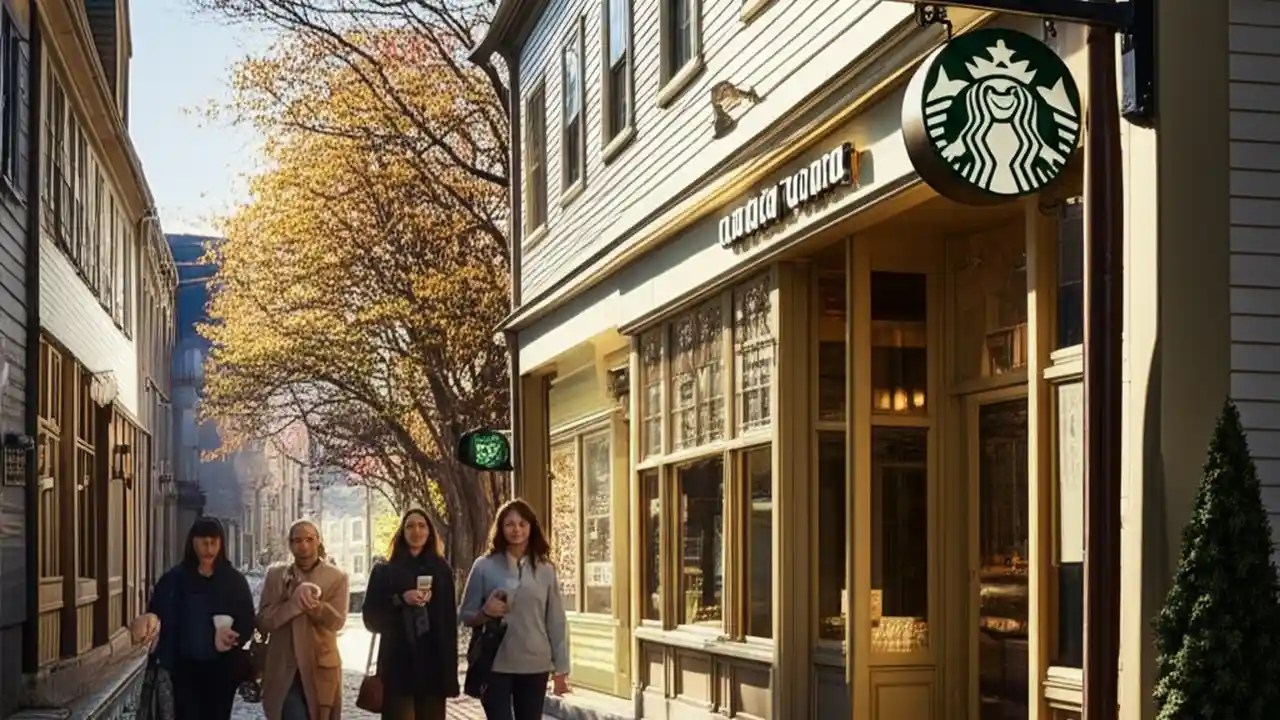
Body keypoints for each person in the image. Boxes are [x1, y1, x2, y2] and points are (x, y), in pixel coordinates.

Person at [460, 499, 571, 720]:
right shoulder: (484, 566)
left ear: (531, 527)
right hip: (495, 663)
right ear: (501, 528)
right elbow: (465, 615)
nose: (516, 530)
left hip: (535, 664)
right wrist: (485, 612)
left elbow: (556, 621)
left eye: (522, 523)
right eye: (509, 524)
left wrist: (561, 669)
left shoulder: (546, 570)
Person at [146, 517, 256, 720]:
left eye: (213, 542)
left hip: (222, 670)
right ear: (192, 543)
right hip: (183, 669)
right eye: (203, 542)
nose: (208, 548)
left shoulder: (233, 581)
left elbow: (248, 619)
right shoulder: (174, 579)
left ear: (221, 543)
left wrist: (235, 636)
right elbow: (156, 613)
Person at [364, 509, 460, 720]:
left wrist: (449, 677)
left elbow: (448, 625)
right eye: (410, 526)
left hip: (433, 666)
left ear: (429, 532)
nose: (416, 531)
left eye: (422, 525)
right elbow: (371, 619)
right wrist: (400, 600)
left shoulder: (441, 571)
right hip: (397, 666)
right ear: (401, 532)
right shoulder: (384, 572)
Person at [258, 519, 350, 720]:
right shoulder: (276, 576)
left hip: (320, 666)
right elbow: (264, 620)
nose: (304, 545)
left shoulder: (336, 577)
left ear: (318, 541)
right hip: (284, 667)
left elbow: (337, 622)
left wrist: (314, 605)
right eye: (297, 540)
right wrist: (291, 606)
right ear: (290, 545)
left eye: (309, 539)